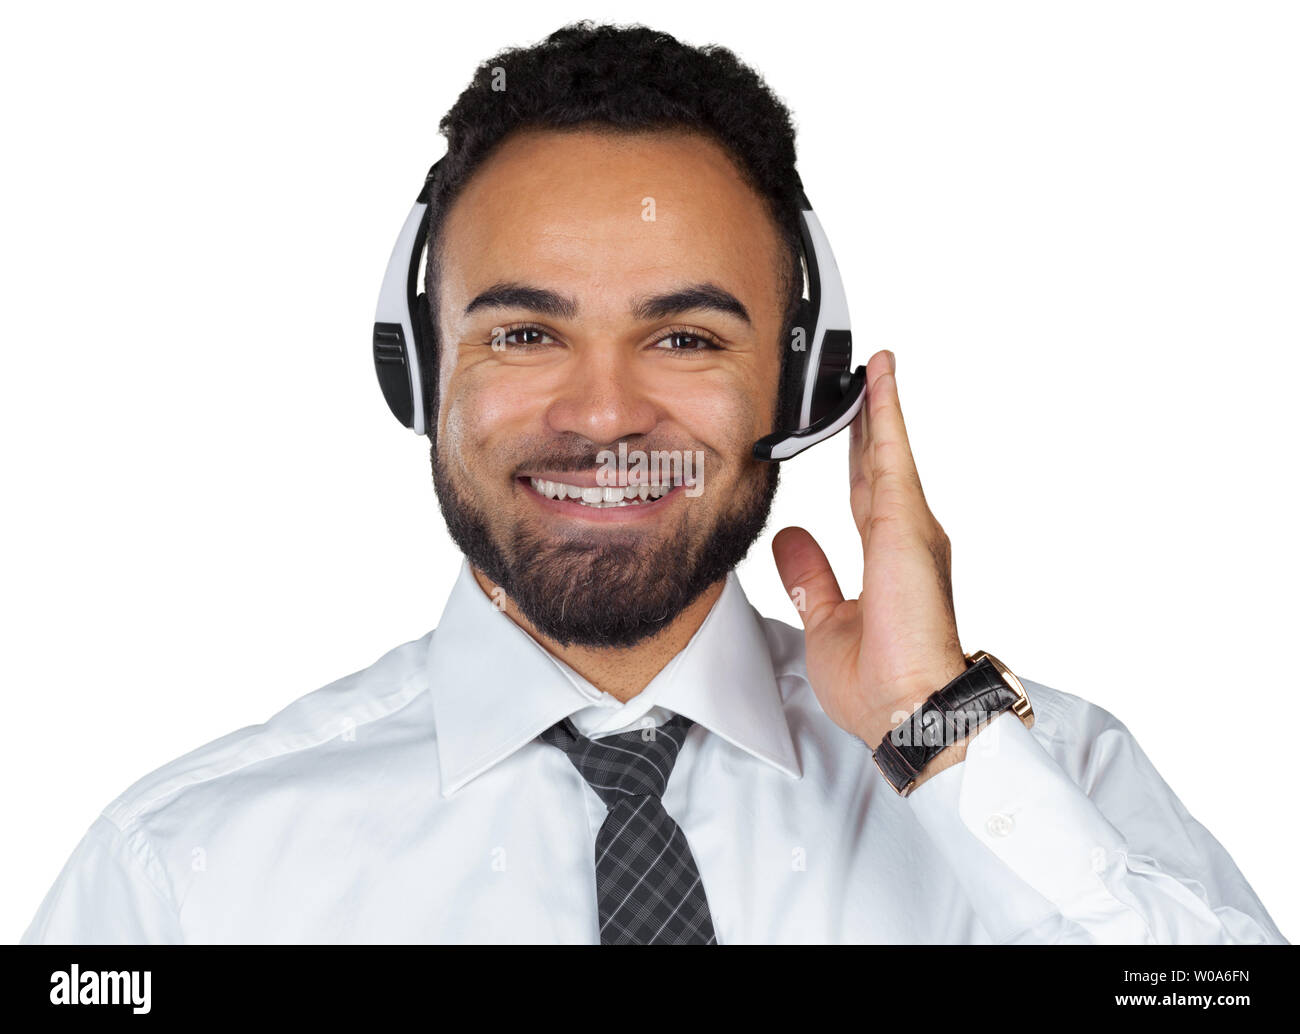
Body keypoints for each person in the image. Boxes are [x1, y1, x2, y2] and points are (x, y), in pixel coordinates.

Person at [22, 21, 1285, 945]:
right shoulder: (182, 867)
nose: (603, 413)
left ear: (797, 385)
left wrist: (931, 732)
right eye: (524, 332)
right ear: (417, 371)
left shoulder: (1038, 777)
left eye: (685, 336)